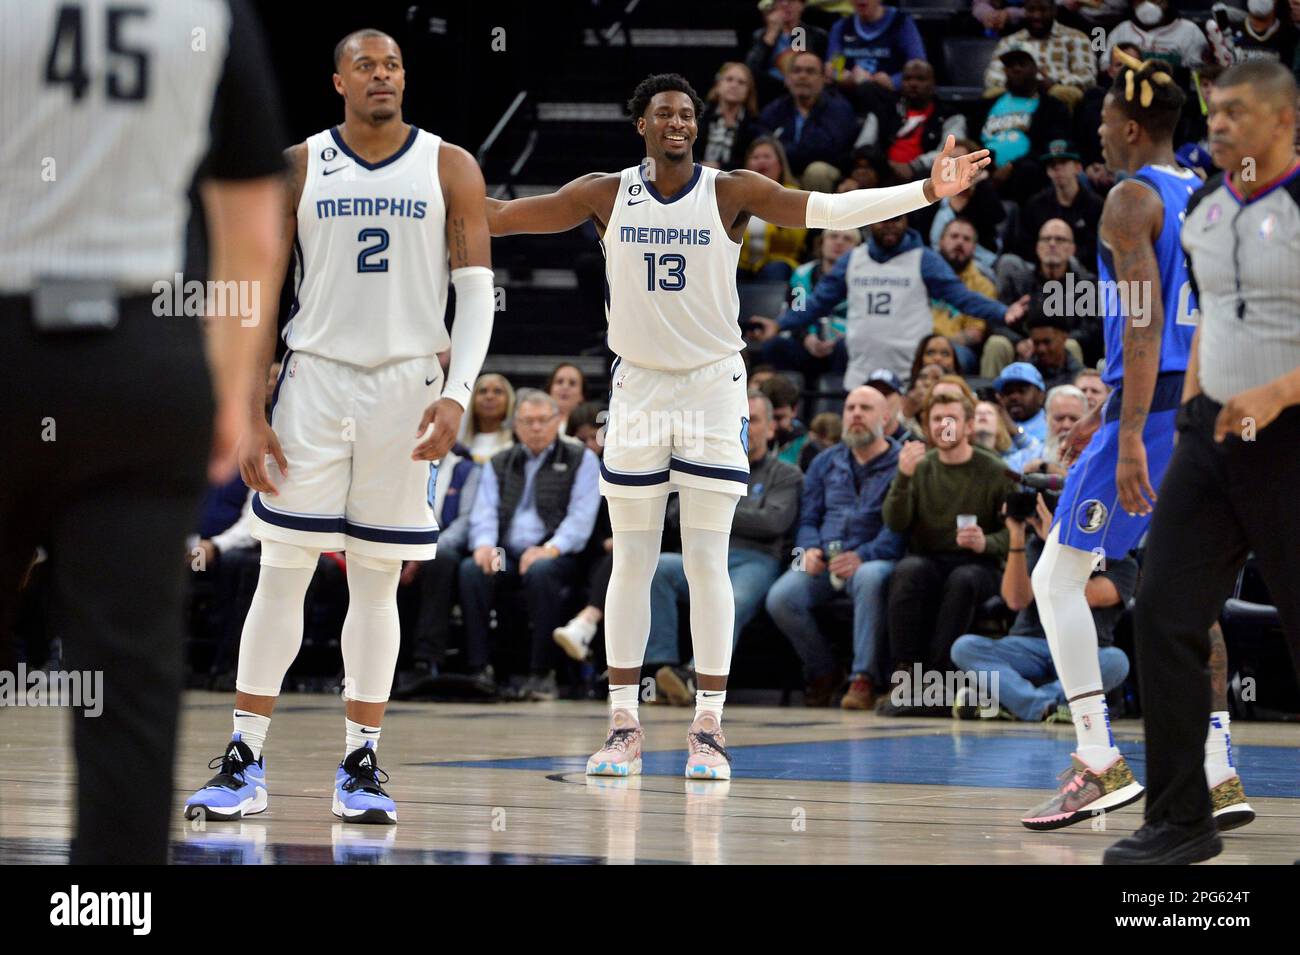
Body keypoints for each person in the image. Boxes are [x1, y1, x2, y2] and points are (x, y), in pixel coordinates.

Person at [485, 71, 993, 780]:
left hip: (711, 386)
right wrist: (434, 199)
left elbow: (829, 210)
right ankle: (623, 724)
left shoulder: (730, 190)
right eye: (662, 113)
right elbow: (506, 215)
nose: (677, 123)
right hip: (635, 388)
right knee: (629, 561)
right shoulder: (605, 192)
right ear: (641, 124)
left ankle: (709, 728)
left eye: (687, 115)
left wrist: (924, 191)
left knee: (704, 559)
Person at [183, 29, 495, 827]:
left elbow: (478, 294)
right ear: (338, 80)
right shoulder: (297, 164)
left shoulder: (450, 163)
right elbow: (254, 286)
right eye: (367, 64)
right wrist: (248, 410)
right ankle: (245, 757)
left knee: (377, 578)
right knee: (282, 567)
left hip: (408, 389)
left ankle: (361, 763)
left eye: (393, 64)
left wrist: (457, 394)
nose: (383, 75)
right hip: (313, 381)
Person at [0, 0, 285, 863]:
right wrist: (231, 388)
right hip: (142, 360)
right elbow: (252, 231)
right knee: (127, 688)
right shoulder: (207, 14)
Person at [1021, 52, 1242, 836]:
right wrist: (1111, 404)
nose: (1101, 133)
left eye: (1109, 120)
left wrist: (1127, 436)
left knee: (1055, 580)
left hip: (1150, 417)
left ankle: (1096, 759)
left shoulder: (1127, 200)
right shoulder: (1203, 190)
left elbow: (1145, 328)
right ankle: (1218, 770)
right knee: (1182, 591)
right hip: (1199, 404)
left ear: (1134, 126)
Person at [1106, 60, 1300, 865]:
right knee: (1163, 611)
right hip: (1208, 431)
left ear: (1285, 121)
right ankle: (1183, 818)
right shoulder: (1207, 209)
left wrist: (1280, 392)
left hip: (1288, 434)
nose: (1217, 126)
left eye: (1238, 113)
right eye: (1213, 113)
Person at [647, 393, 802, 701]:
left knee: (732, 597)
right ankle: (659, 673)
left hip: (754, 561)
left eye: (753, 419)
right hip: (704, 555)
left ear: (771, 428)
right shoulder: (707, 464)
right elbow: (676, 512)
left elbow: (773, 523)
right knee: (658, 568)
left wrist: (711, 507)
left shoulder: (786, 473)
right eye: (737, 417)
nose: (744, 425)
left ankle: (695, 676)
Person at [756, 214, 1023, 386]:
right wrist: (780, 326)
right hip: (861, 372)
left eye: (897, 219)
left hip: (908, 373)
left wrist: (1002, 312)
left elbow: (961, 297)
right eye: (884, 219)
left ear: (906, 220)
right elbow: (815, 304)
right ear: (871, 221)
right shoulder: (852, 260)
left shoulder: (923, 259)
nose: (890, 225)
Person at [766, 387, 904, 708]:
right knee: (781, 597)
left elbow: (899, 529)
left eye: (865, 408)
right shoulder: (825, 462)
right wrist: (810, 549)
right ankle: (824, 671)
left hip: (873, 558)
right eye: (850, 407)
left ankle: (863, 679)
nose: (855, 414)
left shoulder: (901, 463)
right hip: (824, 559)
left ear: (886, 417)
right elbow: (808, 517)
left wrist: (862, 556)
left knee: (870, 578)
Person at [880, 389, 1017, 713]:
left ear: (969, 425)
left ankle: (939, 683)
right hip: (930, 557)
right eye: (936, 419)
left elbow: (1015, 532)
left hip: (980, 562)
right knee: (907, 572)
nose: (944, 426)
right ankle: (907, 679)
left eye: (951, 419)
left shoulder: (995, 470)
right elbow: (895, 523)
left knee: (963, 579)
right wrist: (902, 478)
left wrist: (987, 542)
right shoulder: (919, 466)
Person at [459, 390, 600, 700]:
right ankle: (479, 669)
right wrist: (483, 545)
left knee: (541, 572)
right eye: (528, 421)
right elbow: (484, 511)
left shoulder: (580, 458)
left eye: (542, 421)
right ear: (517, 426)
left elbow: (580, 518)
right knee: (472, 569)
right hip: (507, 553)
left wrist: (549, 548)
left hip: (557, 552)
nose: (536, 428)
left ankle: (541, 673)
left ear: (556, 422)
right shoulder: (501, 461)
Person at [952, 490, 1136, 723]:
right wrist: (1017, 538)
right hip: (1029, 645)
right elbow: (1016, 600)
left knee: (1116, 661)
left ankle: (1017, 703)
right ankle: (1044, 705)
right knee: (965, 647)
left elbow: (1086, 594)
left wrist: (1058, 545)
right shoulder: (1037, 545)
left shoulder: (1123, 562)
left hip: (1084, 650)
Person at [976, 44, 1072, 202]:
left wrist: (1013, 166)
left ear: (1036, 69)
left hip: (1027, 173)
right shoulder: (986, 105)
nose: (1015, 69)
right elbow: (972, 139)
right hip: (986, 169)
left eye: (1022, 64)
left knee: (1029, 171)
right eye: (1010, 65)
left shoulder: (1052, 107)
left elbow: (1054, 145)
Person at [759, 52, 861, 192]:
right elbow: (762, 143)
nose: (802, 76)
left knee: (816, 172)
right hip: (784, 175)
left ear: (823, 78)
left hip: (827, 177)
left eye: (810, 71)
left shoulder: (838, 109)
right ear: (787, 79)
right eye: (797, 71)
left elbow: (828, 151)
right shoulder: (775, 109)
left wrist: (783, 150)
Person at [854, 61, 968, 183]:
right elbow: (863, 146)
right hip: (884, 172)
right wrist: (885, 165)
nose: (913, 84)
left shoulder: (951, 116)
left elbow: (953, 153)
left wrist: (914, 166)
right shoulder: (882, 112)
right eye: (908, 79)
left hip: (927, 176)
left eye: (920, 79)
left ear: (933, 83)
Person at [984, 0, 1097, 109]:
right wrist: (1023, 85)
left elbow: (1087, 76)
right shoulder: (1009, 41)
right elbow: (992, 77)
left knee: (1066, 93)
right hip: (1016, 92)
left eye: (1043, 10)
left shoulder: (1075, 37)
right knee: (992, 93)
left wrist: (1056, 82)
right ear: (1025, 11)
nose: (1037, 16)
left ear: (1054, 10)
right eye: (1031, 10)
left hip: (1056, 93)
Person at [1013, 140, 1105, 268]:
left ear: (1078, 168)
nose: (1057, 168)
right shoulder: (1036, 204)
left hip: (1082, 274)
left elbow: (1098, 248)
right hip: (1041, 269)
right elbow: (1025, 245)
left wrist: (1065, 259)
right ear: (1047, 171)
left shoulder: (1095, 205)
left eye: (1063, 162)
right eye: (1052, 165)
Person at [738, 137, 809, 281]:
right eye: (756, 157)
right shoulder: (737, 195)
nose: (761, 161)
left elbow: (794, 241)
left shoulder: (792, 194)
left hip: (779, 264)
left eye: (767, 156)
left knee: (774, 269)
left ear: (780, 165)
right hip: (742, 266)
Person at [826, 0, 927, 100]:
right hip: (851, 96)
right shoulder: (842, 27)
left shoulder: (901, 23)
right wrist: (844, 77)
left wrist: (892, 81)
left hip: (891, 96)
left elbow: (918, 68)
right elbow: (834, 67)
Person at [931, 218, 995, 372]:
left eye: (966, 239)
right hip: (918, 341)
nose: (959, 242)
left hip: (957, 347)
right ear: (941, 241)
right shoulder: (922, 274)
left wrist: (939, 347)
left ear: (974, 247)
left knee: (952, 357)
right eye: (954, 236)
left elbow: (975, 333)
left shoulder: (982, 285)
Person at [744, 0, 831, 104]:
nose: (785, 4)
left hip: (805, 94)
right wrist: (771, 34)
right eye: (780, 1)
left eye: (791, 1)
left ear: (802, 6)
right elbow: (750, 71)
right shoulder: (761, 35)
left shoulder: (816, 36)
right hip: (769, 96)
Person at [1106, 0, 1211, 73]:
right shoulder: (1121, 31)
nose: (1148, 4)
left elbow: (1196, 75)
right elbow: (1106, 68)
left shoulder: (1190, 31)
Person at [699, 63, 768, 171]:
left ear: (748, 91)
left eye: (741, 82)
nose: (734, 85)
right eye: (729, 79)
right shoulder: (698, 117)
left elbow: (749, 162)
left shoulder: (755, 127)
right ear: (718, 85)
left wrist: (720, 167)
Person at [459, 373, 516, 463]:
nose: (489, 397)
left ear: (509, 400)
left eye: (498, 391)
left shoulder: (517, 444)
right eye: (483, 391)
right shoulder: (457, 445)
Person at [993, 361, 1049, 442]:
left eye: (1022, 391)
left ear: (1041, 396)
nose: (1013, 397)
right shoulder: (994, 426)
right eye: (1008, 392)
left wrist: (1016, 433)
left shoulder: (1053, 425)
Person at [546, 362, 586, 432]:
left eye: (572, 383)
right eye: (559, 382)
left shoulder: (589, 425)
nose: (565, 387)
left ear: (582, 395)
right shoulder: (537, 423)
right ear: (550, 390)